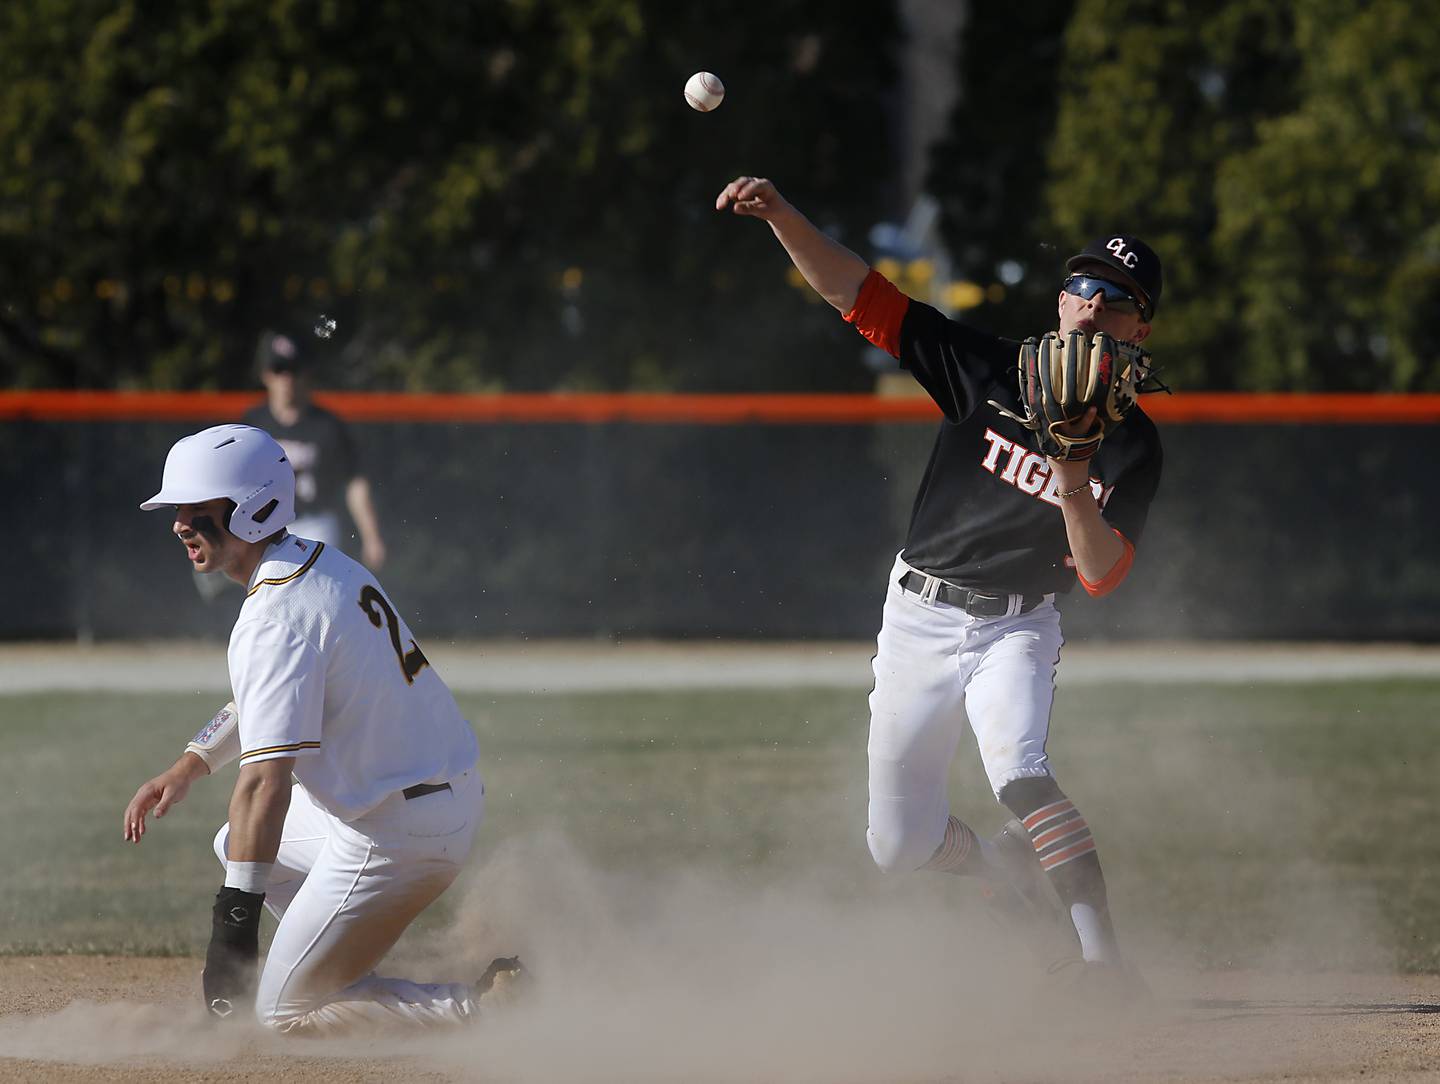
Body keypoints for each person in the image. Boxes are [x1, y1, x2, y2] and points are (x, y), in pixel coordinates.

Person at [717, 176, 1163, 992]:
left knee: (1020, 771)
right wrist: (782, 215)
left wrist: (1071, 472)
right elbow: (859, 294)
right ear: (1061, 302)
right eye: (1083, 288)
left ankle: (1104, 966)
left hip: (1018, 627)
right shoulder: (989, 368)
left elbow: (1100, 576)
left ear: (1141, 327)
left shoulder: (1135, 449)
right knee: (897, 846)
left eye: (1119, 298)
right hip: (918, 615)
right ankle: (1002, 869)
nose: (1095, 306)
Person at [123, 423, 519, 1033]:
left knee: (279, 1015)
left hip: (397, 831)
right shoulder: (320, 565)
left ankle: (476, 1009)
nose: (179, 523)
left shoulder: (275, 614)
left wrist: (233, 934)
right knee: (236, 845)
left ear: (249, 509)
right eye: (177, 510)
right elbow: (270, 696)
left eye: (196, 509)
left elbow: (265, 784)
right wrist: (189, 764)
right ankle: (333, 962)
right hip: (426, 800)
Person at [244, 332, 387, 570]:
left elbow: (355, 483)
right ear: (266, 375)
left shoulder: (328, 426)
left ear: (306, 373)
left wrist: (372, 536)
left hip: (315, 525)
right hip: (263, 527)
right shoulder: (252, 425)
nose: (287, 379)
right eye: (279, 370)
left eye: (294, 370)